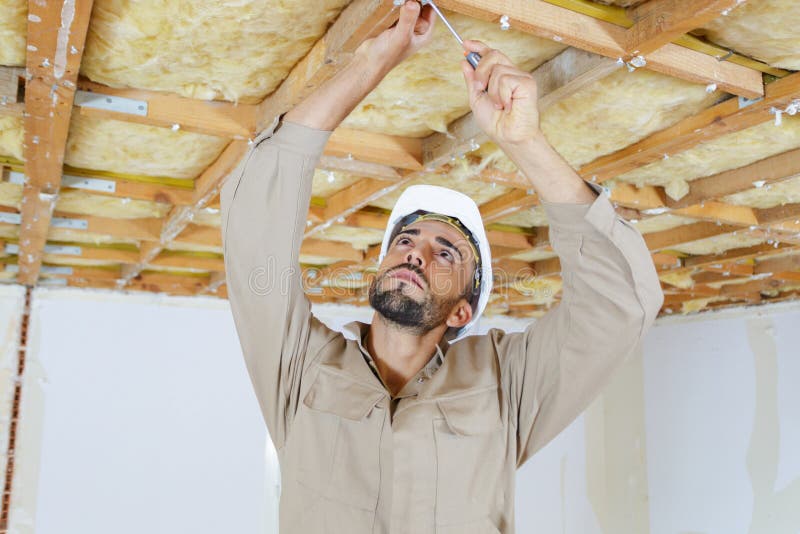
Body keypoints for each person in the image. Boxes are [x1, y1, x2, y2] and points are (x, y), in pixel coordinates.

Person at [221, 2, 663, 533]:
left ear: (461, 311)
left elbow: (620, 305)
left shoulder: (506, 386)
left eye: (446, 252)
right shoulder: (302, 367)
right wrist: (371, 64)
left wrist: (525, 142)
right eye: (406, 239)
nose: (416, 253)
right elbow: (254, 224)